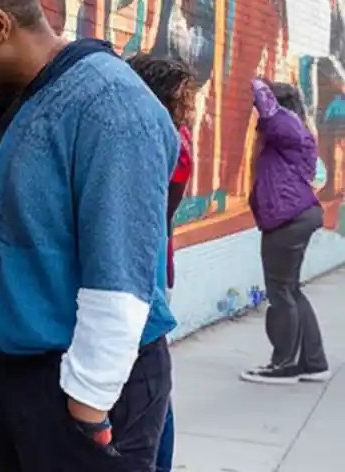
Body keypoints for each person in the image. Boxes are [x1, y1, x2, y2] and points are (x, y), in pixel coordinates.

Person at [0, 0, 179, 470]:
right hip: (19, 379)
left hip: (82, 387)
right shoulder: (12, 99)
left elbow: (121, 275)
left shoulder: (108, 104)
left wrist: (86, 409)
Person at [127, 54, 198, 472]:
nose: (188, 111)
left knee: (149, 385)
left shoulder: (171, 147)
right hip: (150, 267)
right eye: (182, 100)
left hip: (145, 272)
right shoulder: (164, 139)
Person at [241, 79, 331, 384]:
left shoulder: (287, 127)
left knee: (281, 291)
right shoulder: (293, 132)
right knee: (289, 289)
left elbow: (266, 106)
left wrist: (252, 81)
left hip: (288, 218)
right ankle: (313, 362)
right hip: (291, 216)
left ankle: (284, 364)